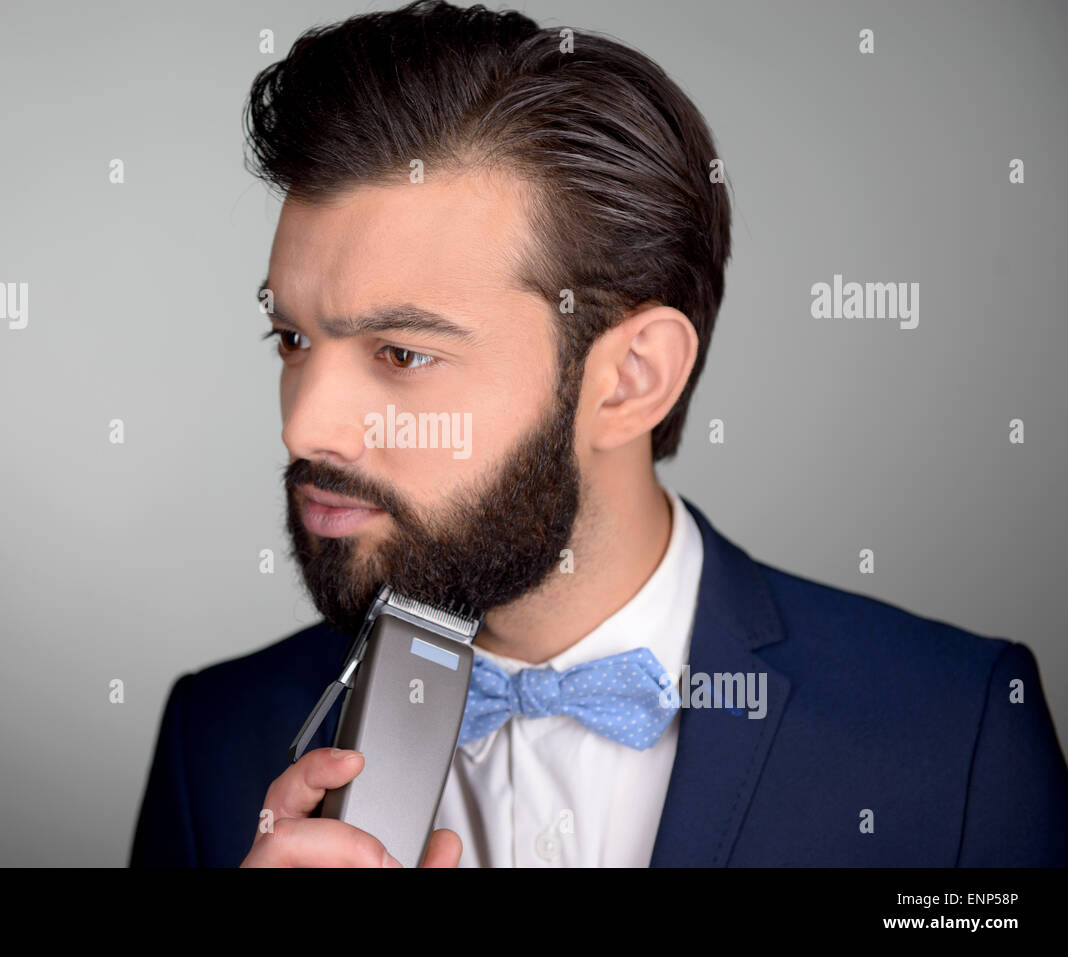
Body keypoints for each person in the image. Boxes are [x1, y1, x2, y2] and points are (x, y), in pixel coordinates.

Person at [130, 0, 1068, 867]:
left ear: (631, 378)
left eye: (402, 354)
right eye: (293, 337)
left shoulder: (956, 727)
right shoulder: (212, 742)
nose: (306, 423)